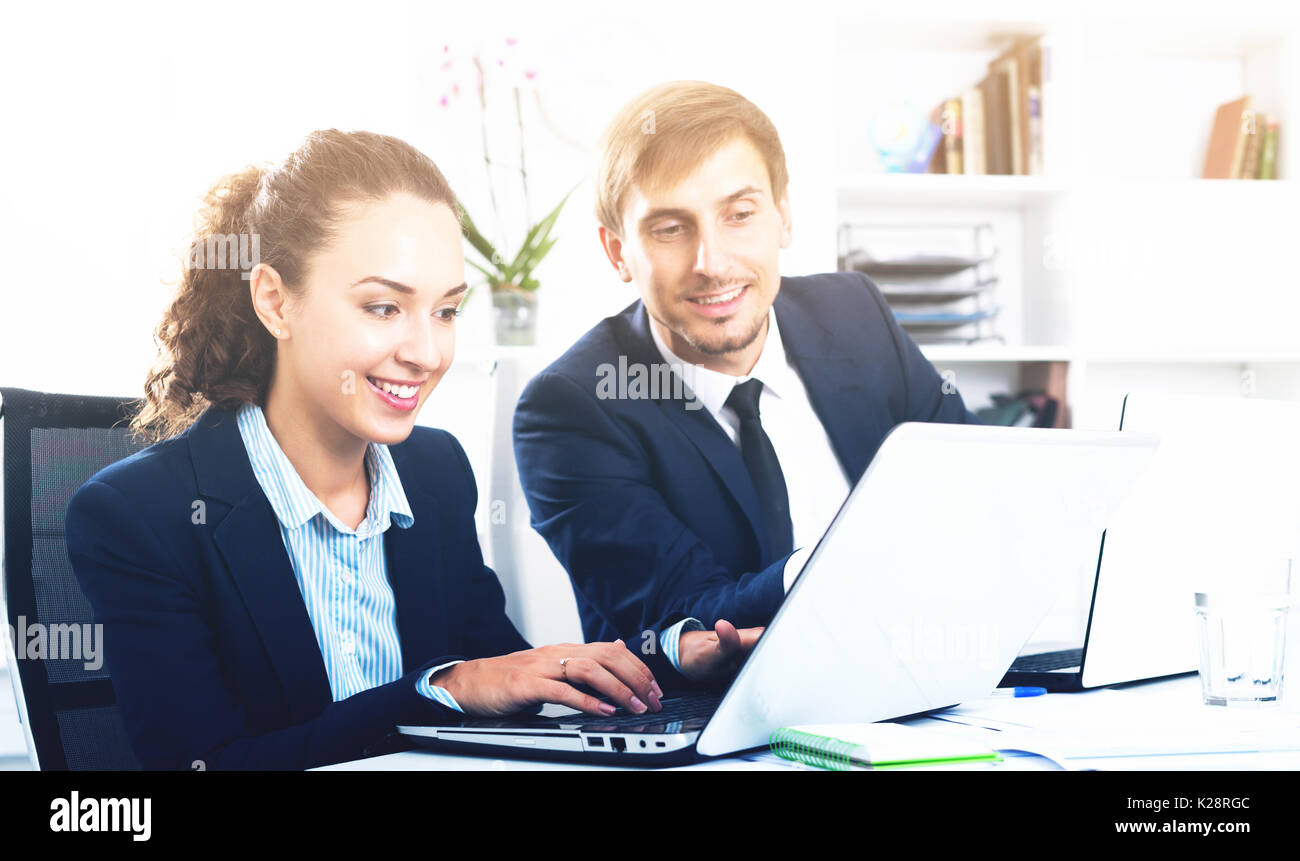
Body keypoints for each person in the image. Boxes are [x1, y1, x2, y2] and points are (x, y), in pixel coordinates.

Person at [64, 129, 672, 771]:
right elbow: (203, 764)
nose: (427, 353)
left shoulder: (434, 473)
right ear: (275, 301)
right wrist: (439, 692)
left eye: (445, 312)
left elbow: (505, 680)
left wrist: (667, 656)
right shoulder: (140, 517)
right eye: (383, 307)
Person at [512, 81, 982, 685]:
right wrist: (841, 561)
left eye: (739, 214)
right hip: (718, 726)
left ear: (783, 216)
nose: (712, 261)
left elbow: (965, 481)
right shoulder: (573, 406)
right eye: (669, 228)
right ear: (618, 252)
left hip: (924, 678)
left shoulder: (855, 313)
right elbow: (689, 611)